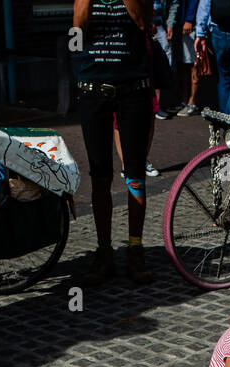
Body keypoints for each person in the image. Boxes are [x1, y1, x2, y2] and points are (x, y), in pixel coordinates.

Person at [73, 0, 157, 284]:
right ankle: (104, 250)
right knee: (100, 175)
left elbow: (141, 20)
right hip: (93, 90)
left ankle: (135, 249)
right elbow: (78, 28)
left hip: (132, 90)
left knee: (134, 174)